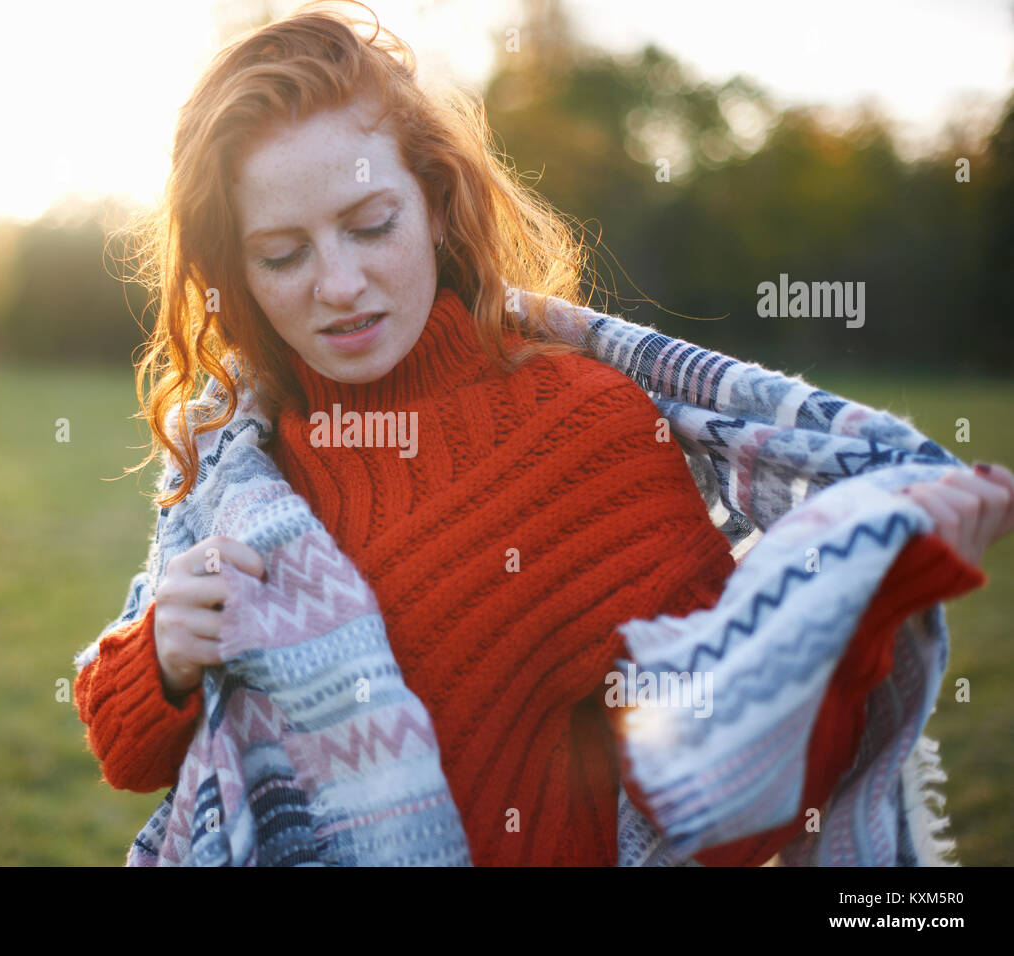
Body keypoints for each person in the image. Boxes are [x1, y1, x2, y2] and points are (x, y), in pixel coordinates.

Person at [75, 1, 1013, 865]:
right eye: (283, 254)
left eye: (370, 225)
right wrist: (159, 653)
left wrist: (866, 598)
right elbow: (129, 753)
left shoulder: (581, 426)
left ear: (437, 202)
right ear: (233, 269)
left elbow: (718, 791)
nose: (339, 284)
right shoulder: (235, 452)